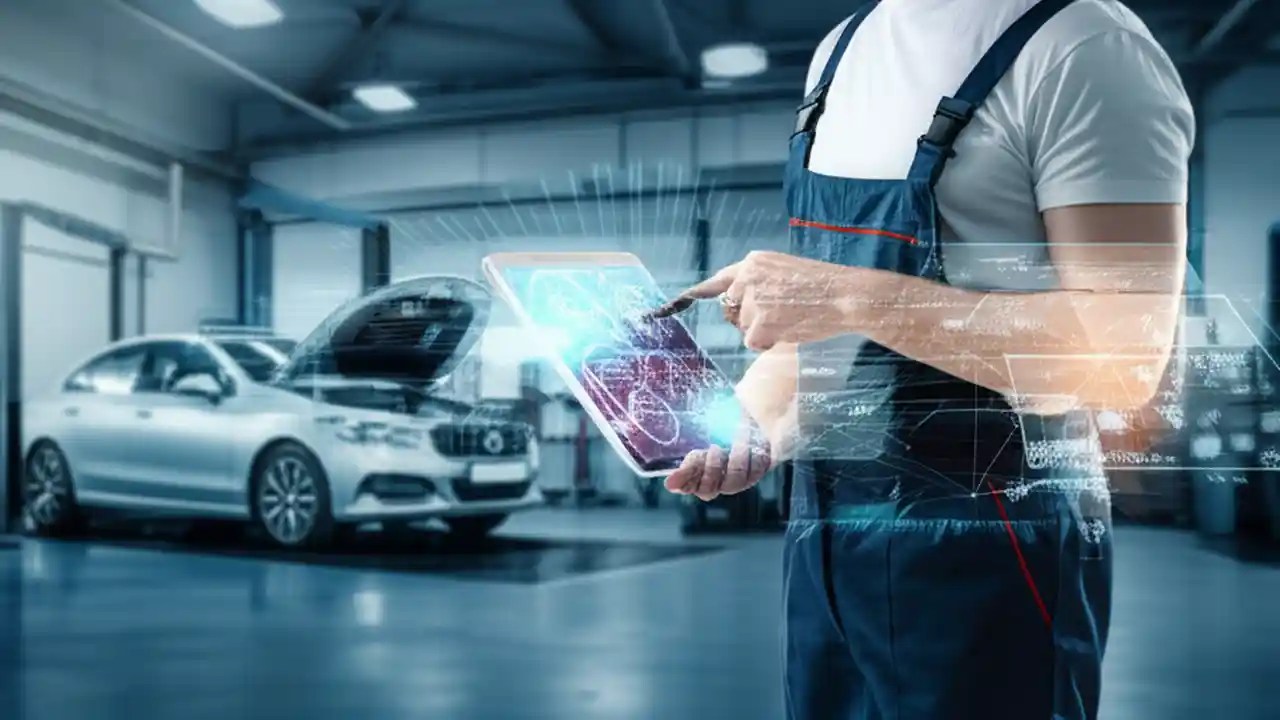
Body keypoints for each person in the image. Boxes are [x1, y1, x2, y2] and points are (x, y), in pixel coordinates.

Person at [657, 0, 1193, 718]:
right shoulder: (840, 51)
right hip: (826, 531)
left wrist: (847, 296)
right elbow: (827, 315)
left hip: (991, 541)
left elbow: (1121, 356)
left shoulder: (1083, 47)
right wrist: (751, 424)